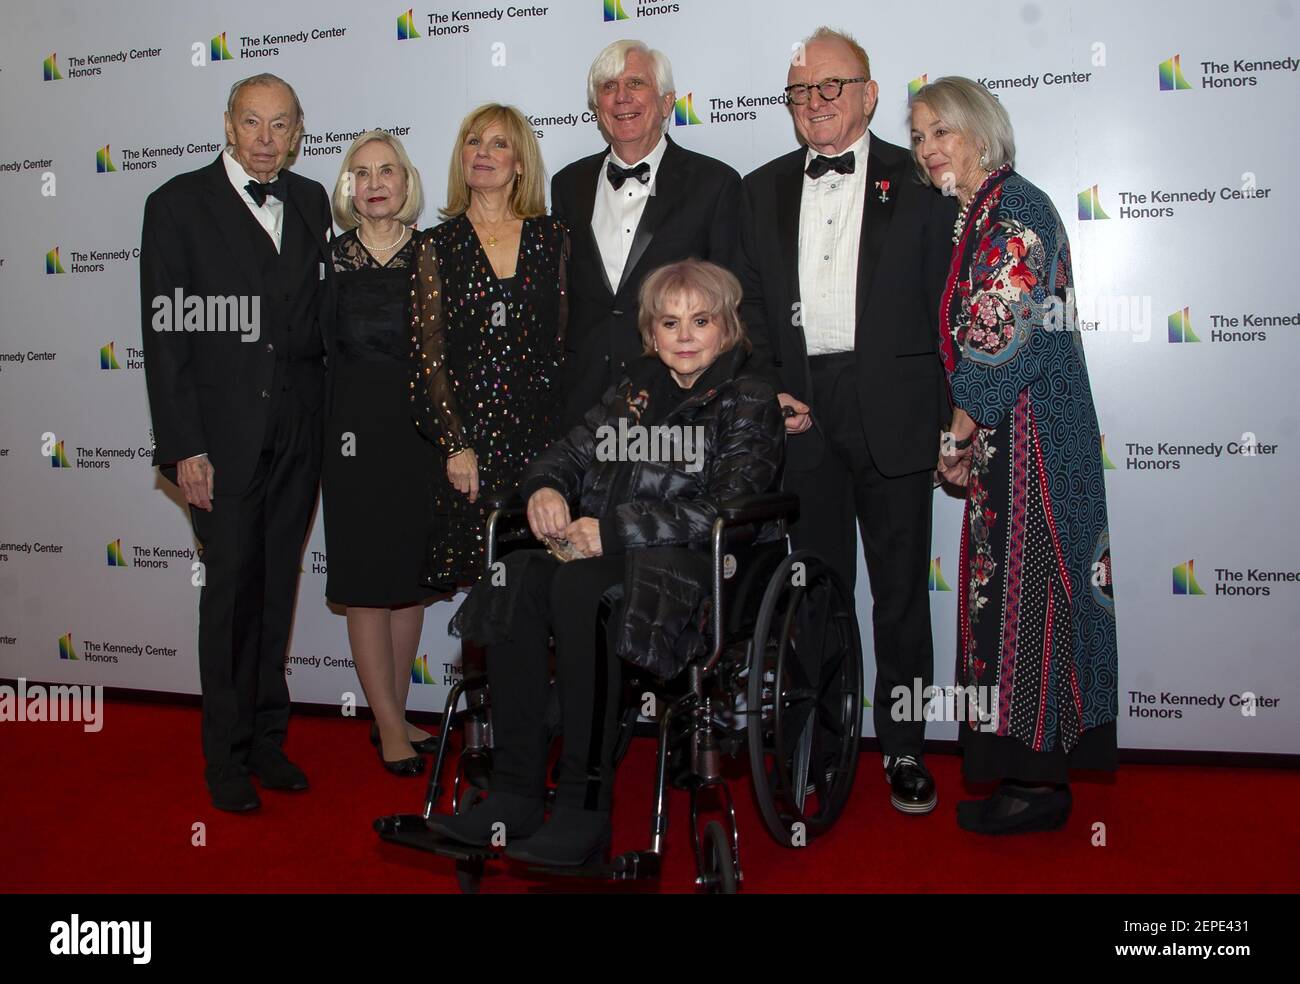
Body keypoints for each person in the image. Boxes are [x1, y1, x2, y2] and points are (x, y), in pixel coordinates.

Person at [425, 259, 785, 866]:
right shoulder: (634, 390)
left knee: (580, 591)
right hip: (609, 551)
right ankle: (513, 791)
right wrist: (544, 486)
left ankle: (582, 807)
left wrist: (614, 531)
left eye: (701, 320)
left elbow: (728, 507)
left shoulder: (749, 400)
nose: (686, 334)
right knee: (516, 573)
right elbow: (568, 451)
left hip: (694, 566)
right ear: (651, 332)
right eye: (670, 322)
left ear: (727, 327)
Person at [737, 28, 955, 814]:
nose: (815, 104)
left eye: (832, 87)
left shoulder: (921, 179)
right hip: (800, 416)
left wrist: (951, 422)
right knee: (811, 591)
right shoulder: (758, 189)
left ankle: (902, 748)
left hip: (894, 413)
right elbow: (747, 311)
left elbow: (948, 309)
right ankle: (820, 741)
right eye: (800, 92)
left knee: (899, 595)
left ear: (868, 93)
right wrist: (766, 389)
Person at [911, 77, 1118, 833]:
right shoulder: (985, 210)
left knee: (1032, 606)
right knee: (1007, 606)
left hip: (1032, 438)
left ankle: (1038, 787)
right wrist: (970, 433)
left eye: (941, 132)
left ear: (979, 131)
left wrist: (957, 433)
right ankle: (1024, 775)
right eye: (920, 136)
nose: (929, 148)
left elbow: (999, 335)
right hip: (1011, 437)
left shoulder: (1016, 208)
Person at [140, 74, 332, 812]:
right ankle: (223, 755)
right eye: (251, 122)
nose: (264, 139)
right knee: (229, 595)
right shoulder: (177, 205)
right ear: (227, 124)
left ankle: (265, 740)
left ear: (298, 129)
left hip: (298, 435)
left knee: (276, 589)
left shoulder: (311, 200)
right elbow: (165, 338)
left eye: (280, 124)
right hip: (217, 445)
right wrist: (183, 446)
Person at [410, 104, 568, 588]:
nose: (484, 153)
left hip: (542, 443)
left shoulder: (553, 237)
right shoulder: (438, 244)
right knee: (485, 592)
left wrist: (564, 454)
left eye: (500, 143)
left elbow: (562, 349)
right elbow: (427, 358)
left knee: (543, 585)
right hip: (470, 448)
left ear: (520, 163)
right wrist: (455, 444)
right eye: (474, 142)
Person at [551, 39, 742, 431]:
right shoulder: (567, 184)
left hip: (679, 399)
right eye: (608, 87)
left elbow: (734, 303)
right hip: (584, 402)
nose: (621, 97)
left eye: (635, 83)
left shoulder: (715, 183)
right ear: (596, 109)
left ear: (667, 102)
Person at [322, 131, 438, 776]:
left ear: (405, 180)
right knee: (367, 581)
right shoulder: (327, 261)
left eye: (386, 170)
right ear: (349, 188)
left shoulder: (434, 254)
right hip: (351, 436)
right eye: (360, 171)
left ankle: (396, 710)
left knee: (407, 581)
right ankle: (387, 723)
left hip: (417, 434)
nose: (374, 182)